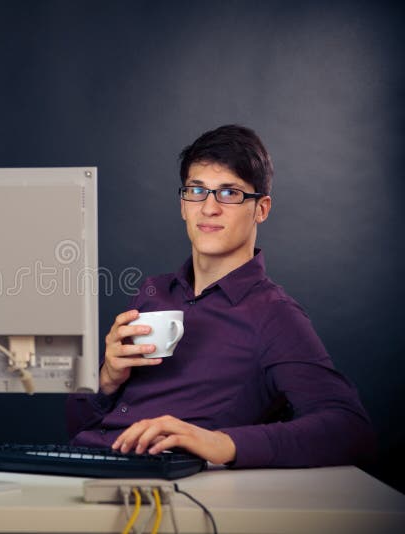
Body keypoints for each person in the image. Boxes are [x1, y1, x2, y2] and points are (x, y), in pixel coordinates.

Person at [66, 124, 374, 468]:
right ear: (183, 205)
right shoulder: (152, 292)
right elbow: (79, 428)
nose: (209, 208)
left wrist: (223, 443)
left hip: (164, 486)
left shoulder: (274, 315)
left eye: (229, 193)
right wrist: (106, 379)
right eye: (197, 190)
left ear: (261, 209)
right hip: (82, 464)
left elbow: (350, 428)